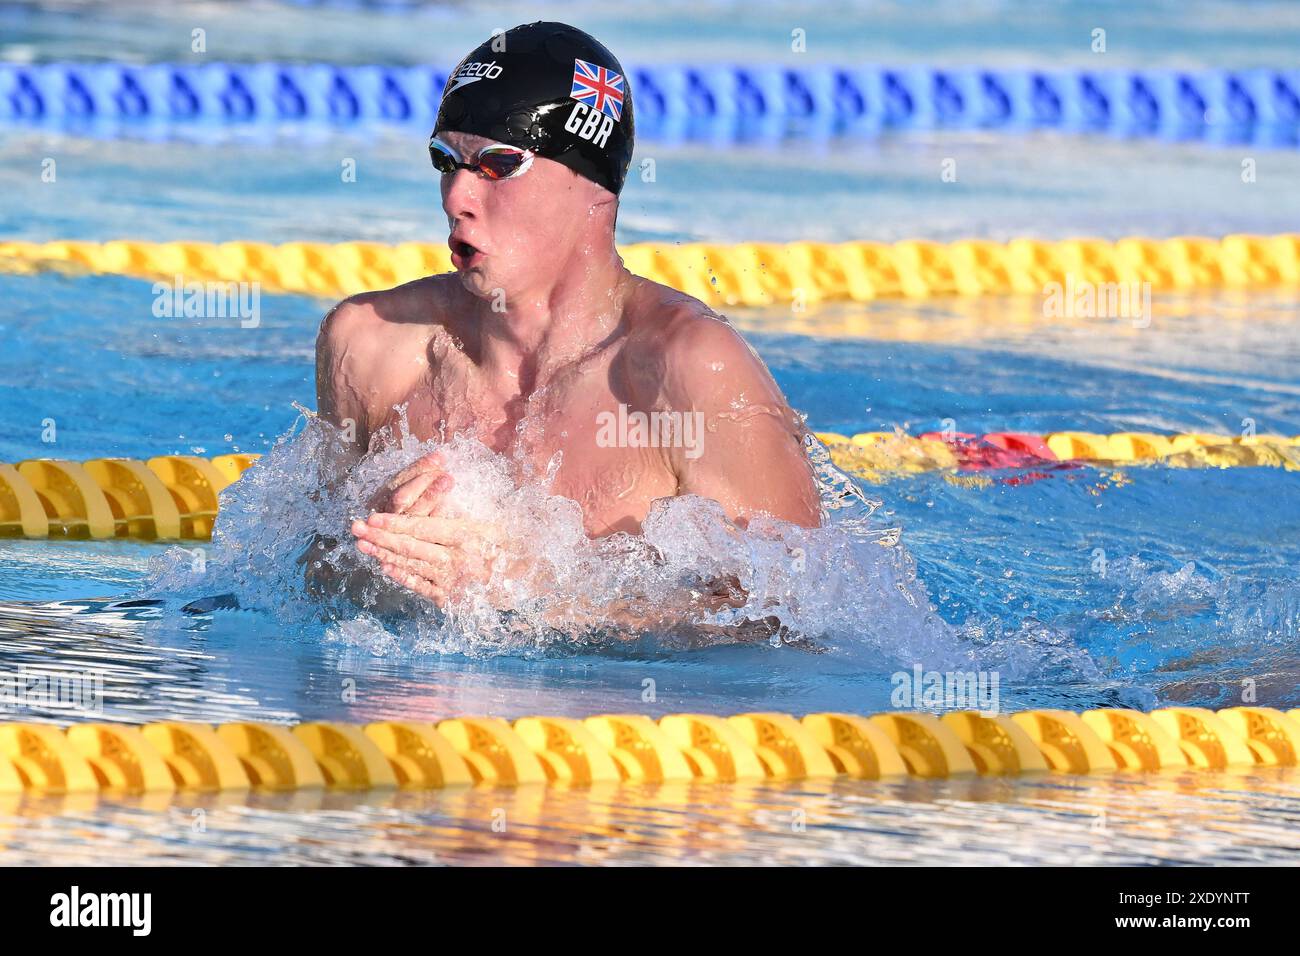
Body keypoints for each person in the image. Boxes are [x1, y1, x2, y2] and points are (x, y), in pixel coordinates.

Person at [308, 22, 819, 611]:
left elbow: (796, 625)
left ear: (593, 185)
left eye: (498, 165)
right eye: (446, 160)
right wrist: (364, 545)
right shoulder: (372, 345)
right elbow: (302, 584)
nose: (456, 197)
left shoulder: (687, 370)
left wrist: (531, 592)